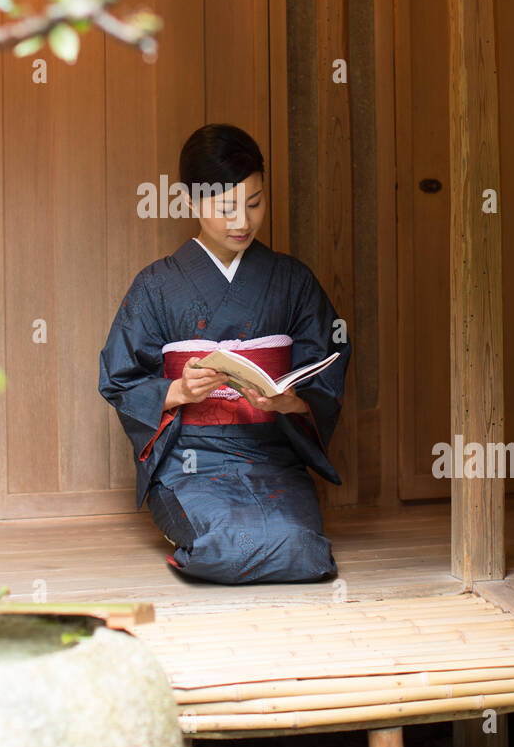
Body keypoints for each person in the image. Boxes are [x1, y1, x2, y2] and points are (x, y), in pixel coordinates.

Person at [98, 124, 351, 585]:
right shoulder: (156, 286)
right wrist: (176, 390)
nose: (243, 222)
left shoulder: (292, 280)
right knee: (227, 546)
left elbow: (326, 363)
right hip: (190, 459)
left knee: (303, 549)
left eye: (254, 204)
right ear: (192, 202)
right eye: (227, 207)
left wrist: (287, 400)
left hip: (271, 455)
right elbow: (120, 378)